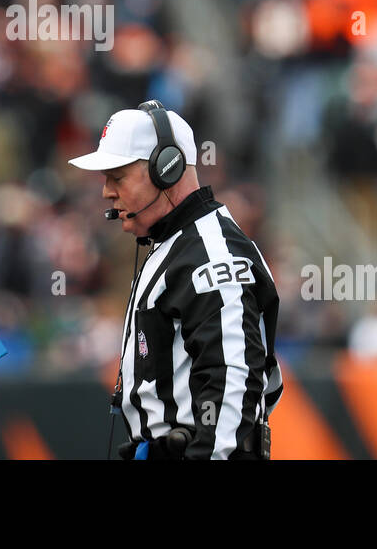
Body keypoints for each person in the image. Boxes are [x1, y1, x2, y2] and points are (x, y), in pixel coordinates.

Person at [69, 100, 283, 460]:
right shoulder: (179, 246)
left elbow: (232, 382)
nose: (106, 191)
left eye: (117, 176)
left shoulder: (212, 252)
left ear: (165, 169)